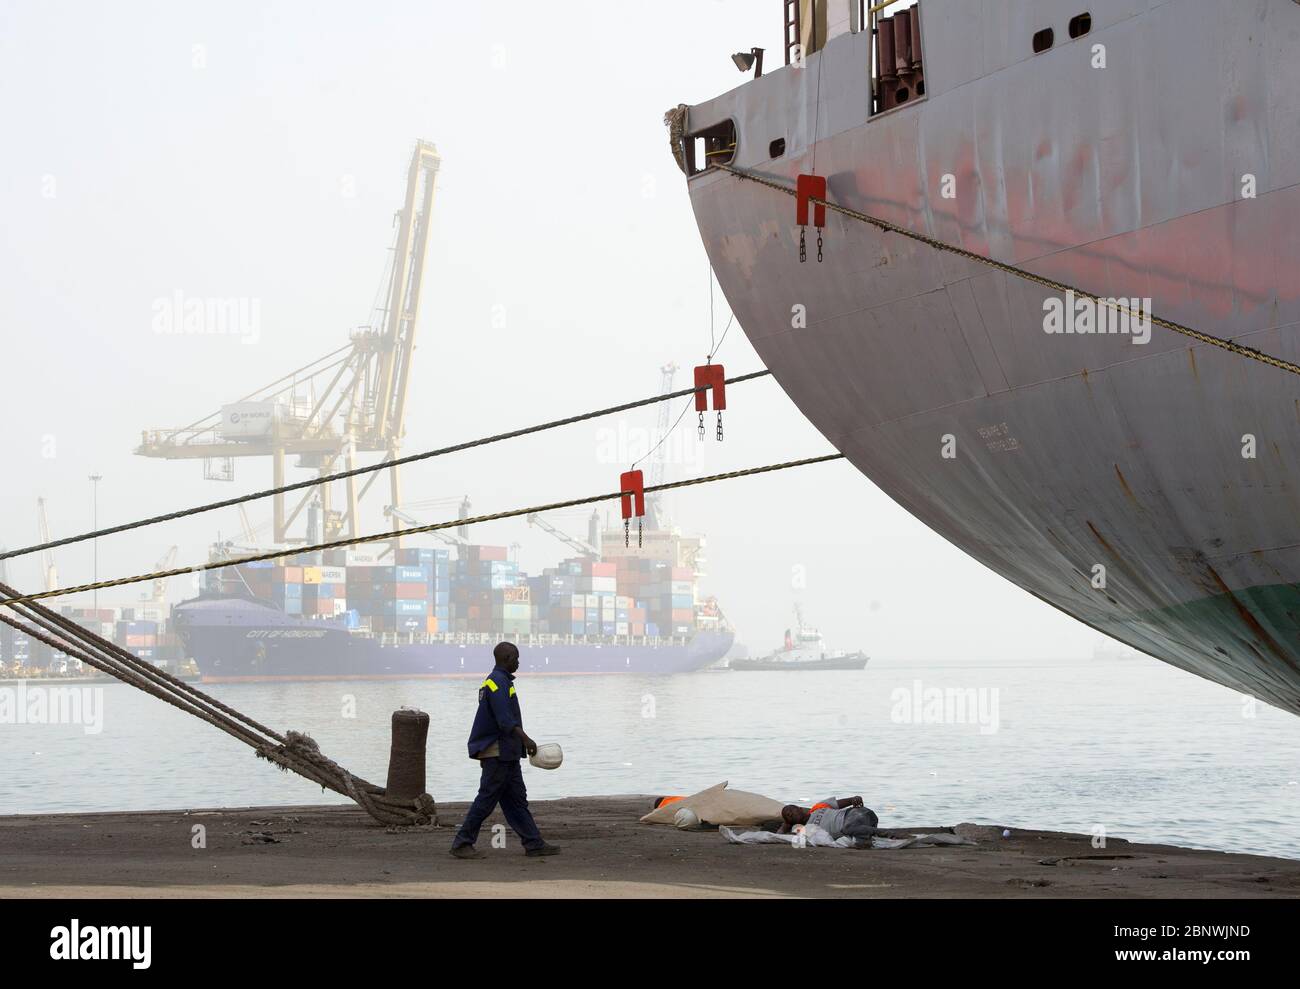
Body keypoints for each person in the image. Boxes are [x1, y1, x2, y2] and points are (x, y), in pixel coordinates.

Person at [450, 642, 560, 859]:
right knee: (487, 798)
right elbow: (504, 721)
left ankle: (534, 843)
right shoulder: (497, 682)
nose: (519, 662)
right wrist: (527, 740)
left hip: (507, 751)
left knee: (516, 800)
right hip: (497, 751)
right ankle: (462, 842)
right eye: (517, 658)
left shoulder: (499, 681)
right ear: (507, 657)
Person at [777, 795, 879, 840]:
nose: (790, 813)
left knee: (849, 828)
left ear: (799, 808)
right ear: (789, 823)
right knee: (856, 836)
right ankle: (882, 833)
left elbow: (851, 800)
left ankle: (883, 832)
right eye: (788, 816)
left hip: (855, 814)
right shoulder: (805, 831)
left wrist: (855, 799)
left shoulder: (818, 807)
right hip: (854, 828)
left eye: (790, 810)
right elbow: (778, 836)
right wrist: (785, 825)